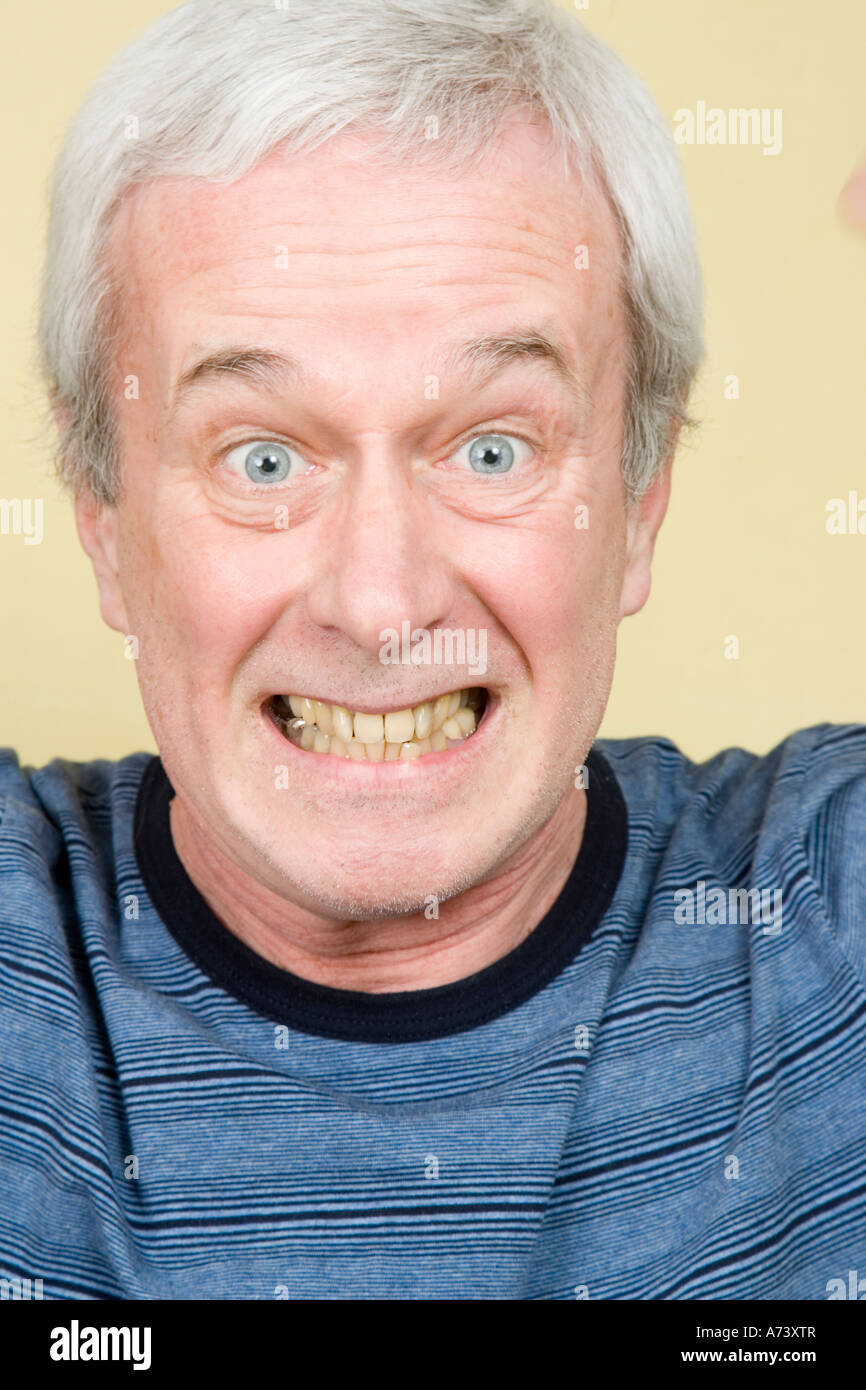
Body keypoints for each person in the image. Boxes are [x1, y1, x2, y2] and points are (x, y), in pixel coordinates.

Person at [1, 0, 864, 1301]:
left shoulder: (826, 913)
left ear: (639, 498)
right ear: (103, 518)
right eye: (264, 457)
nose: (378, 599)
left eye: (491, 449)